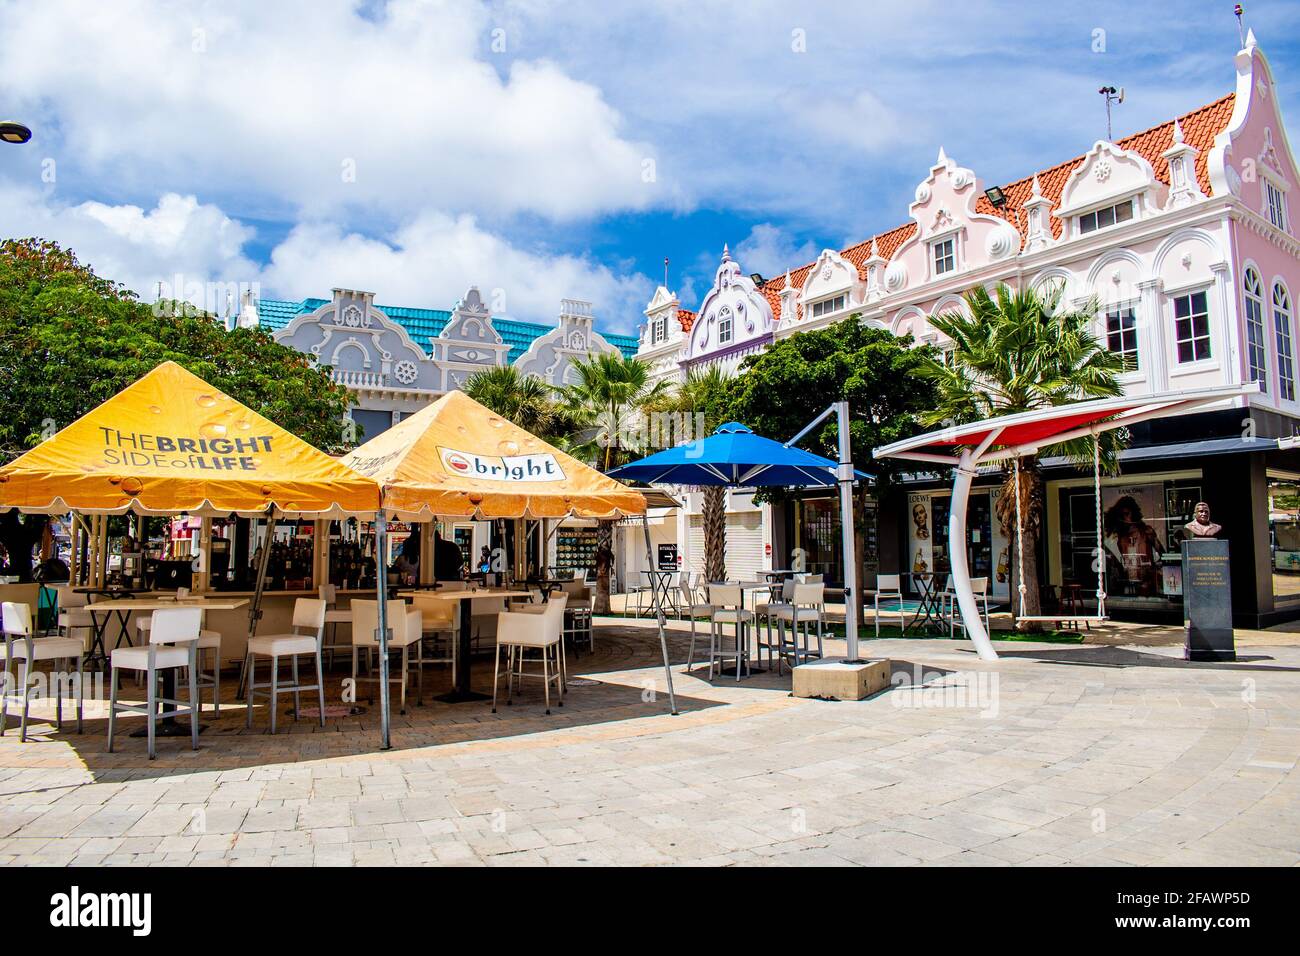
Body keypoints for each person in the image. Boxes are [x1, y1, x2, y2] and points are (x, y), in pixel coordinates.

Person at [1103, 495, 1165, 596]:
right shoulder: (1120, 537)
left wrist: (1154, 569)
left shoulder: (1146, 532)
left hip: (1147, 580)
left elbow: (1162, 554)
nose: (1125, 518)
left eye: (1127, 514)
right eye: (1122, 515)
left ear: (1133, 513)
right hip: (1128, 581)